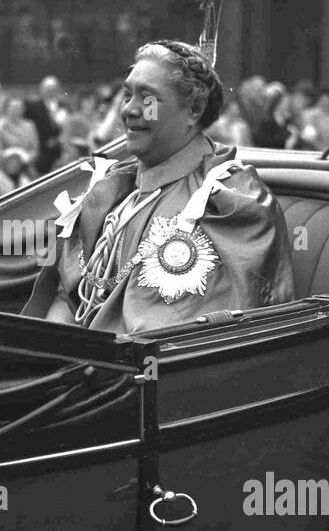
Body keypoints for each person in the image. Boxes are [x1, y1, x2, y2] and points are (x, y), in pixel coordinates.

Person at [23, 41, 295, 334]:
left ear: (194, 109)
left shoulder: (229, 203)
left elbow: (178, 339)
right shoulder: (113, 188)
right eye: (127, 95)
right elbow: (68, 299)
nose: (129, 109)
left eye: (147, 98)